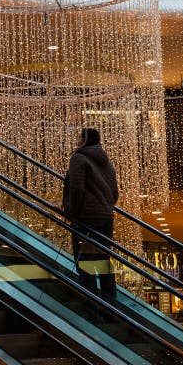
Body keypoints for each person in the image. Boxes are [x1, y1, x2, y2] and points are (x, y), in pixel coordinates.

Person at [62, 127, 118, 298]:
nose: (77, 140)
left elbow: (77, 188)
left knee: (85, 264)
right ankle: (110, 307)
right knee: (103, 262)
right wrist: (105, 207)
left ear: (84, 140)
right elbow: (115, 193)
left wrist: (73, 212)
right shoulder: (107, 164)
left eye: (79, 137)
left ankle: (92, 307)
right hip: (106, 218)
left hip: (86, 218)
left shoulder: (78, 158)